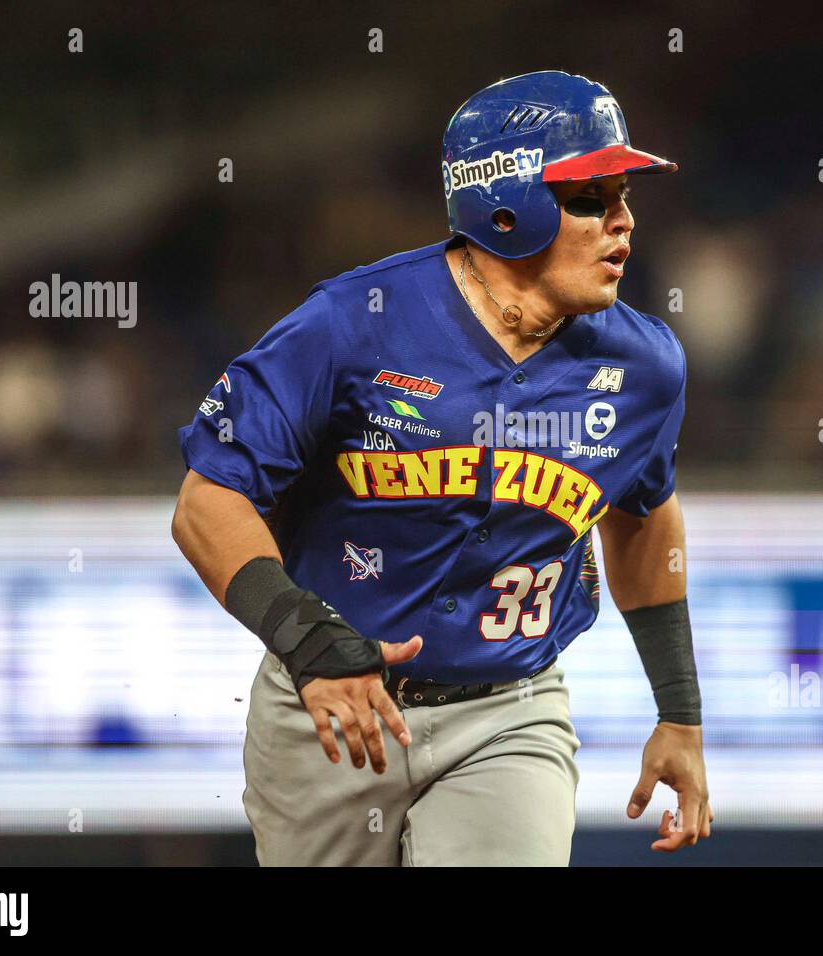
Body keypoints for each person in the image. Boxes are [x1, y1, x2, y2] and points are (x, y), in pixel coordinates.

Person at [171, 70, 710, 865]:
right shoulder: (351, 324)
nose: (623, 225)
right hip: (330, 707)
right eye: (593, 198)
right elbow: (207, 500)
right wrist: (304, 638)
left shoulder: (644, 367)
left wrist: (680, 711)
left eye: (624, 197)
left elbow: (643, 513)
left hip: (509, 712)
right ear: (508, 203)